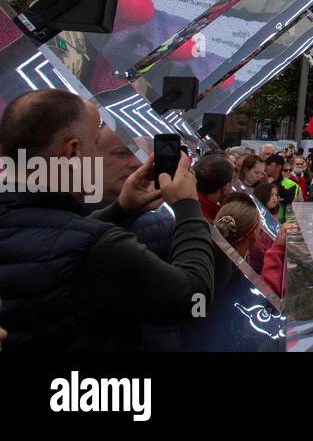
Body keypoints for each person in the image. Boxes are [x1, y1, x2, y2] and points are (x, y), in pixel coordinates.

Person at [0, 90, 216, 350]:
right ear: (73, 152)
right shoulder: (97, 247)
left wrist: (121, 209)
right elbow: (195, 302)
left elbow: (49, 239)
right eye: (94, 142)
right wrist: (187, 206)